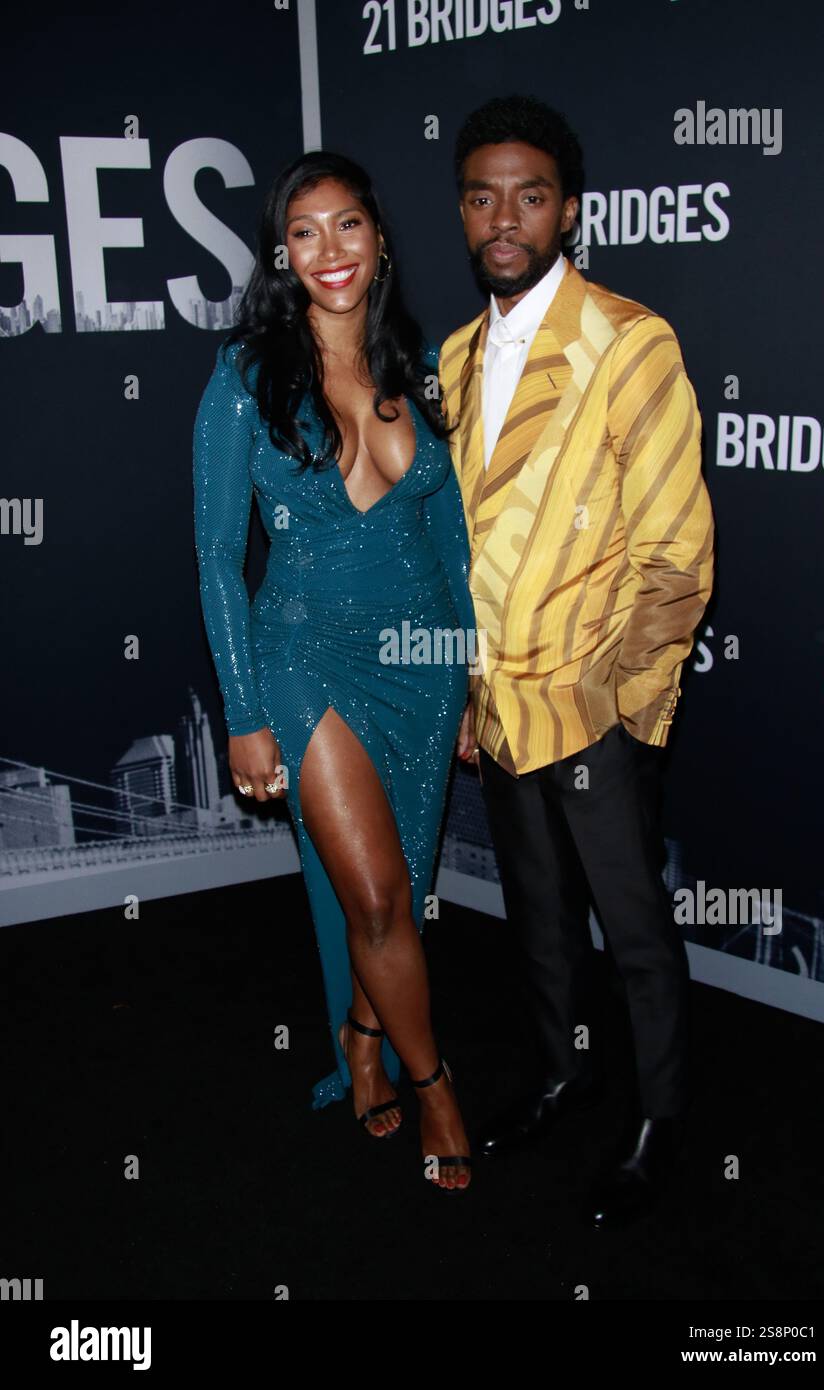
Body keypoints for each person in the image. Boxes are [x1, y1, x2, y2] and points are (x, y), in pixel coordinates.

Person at [442, 95, 715, 1225]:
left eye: (530, 194)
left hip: (593, 708)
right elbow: (456, 548)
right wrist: (466, 686)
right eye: (481, 196)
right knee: (538, 916)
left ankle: (660, 1117)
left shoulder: (628, 339)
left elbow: (674, 555)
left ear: (567, 208)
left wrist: (615, 706)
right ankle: (562, 1070)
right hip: (499, 707)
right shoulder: (453, 355)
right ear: (462, 211)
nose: (504, 217)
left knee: (633, 926)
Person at [193, 151, 474, 1191]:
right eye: (303, 231)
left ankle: (361, 1037)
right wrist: (243, 711)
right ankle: (434, 1078)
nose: (329, 251)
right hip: (303, 659)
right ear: (282, 253)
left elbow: (448, 539)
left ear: (380, 238)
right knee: (376, 897)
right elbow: (219, 555)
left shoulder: (417, 371)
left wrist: (471, 674)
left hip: (424, 660)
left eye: (347, 225)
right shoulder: (244, 379)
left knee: (401, 881)